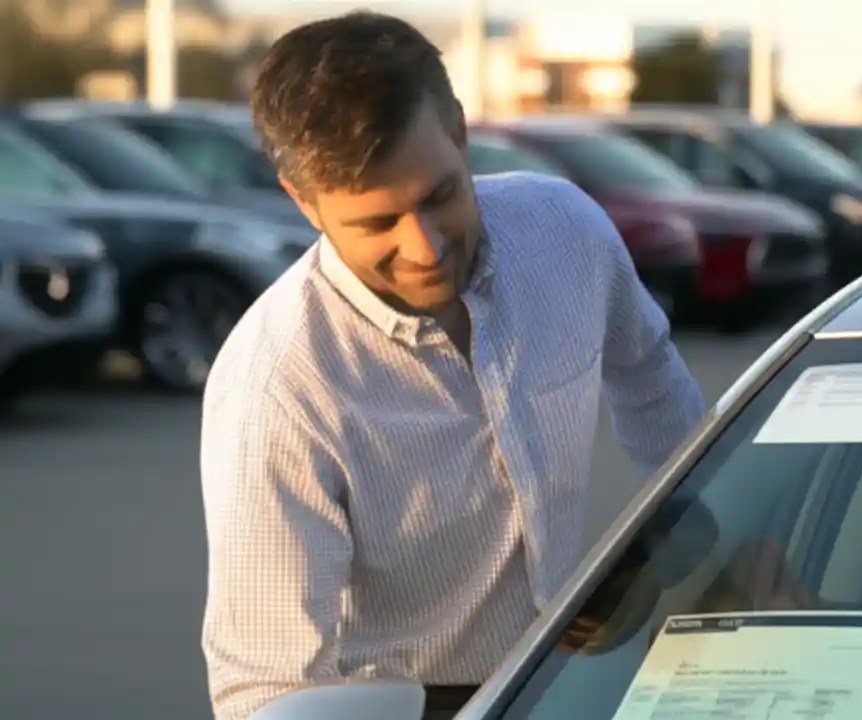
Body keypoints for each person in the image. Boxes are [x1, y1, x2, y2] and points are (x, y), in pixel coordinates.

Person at [197, 11, 706, 720]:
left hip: (581, 680)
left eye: (440, 195)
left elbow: (654, 385)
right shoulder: (278, 388)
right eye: (377, 224)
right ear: (304, 204)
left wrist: (703, 537)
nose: (426, 247)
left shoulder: (566, 231)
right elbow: (267, 688)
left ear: (462, 133)